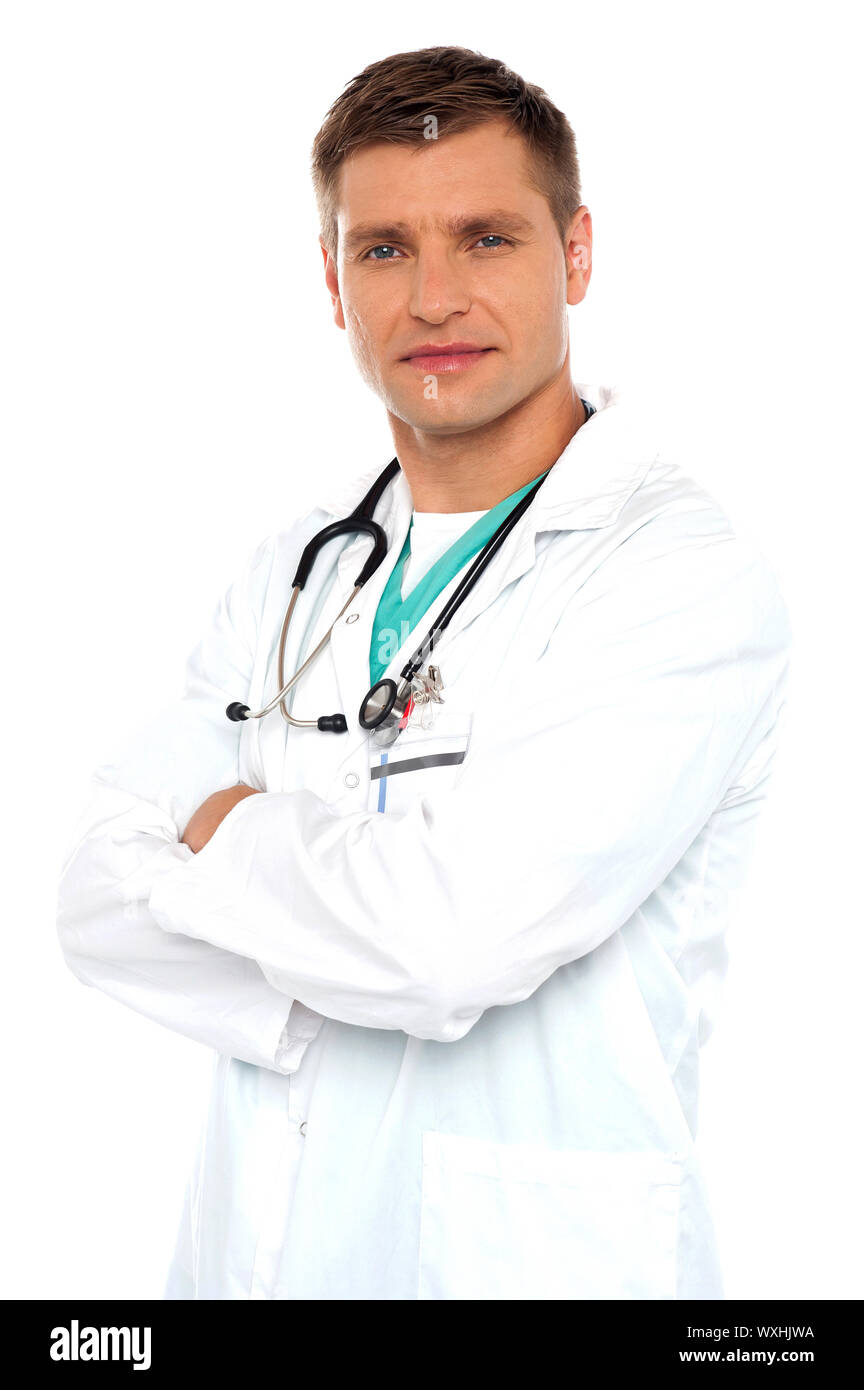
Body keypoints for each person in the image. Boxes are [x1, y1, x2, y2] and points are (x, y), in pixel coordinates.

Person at [56, 45, 793, 1301]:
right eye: (384, 248)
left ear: (576, 256)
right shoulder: (300, 564)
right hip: (250, 1261)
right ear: (334, 285)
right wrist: (338, 954)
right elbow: (92, 899)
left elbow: (448, 946)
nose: (433, 296)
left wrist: (224, 833)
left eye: (487, 238)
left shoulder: (673, 574)